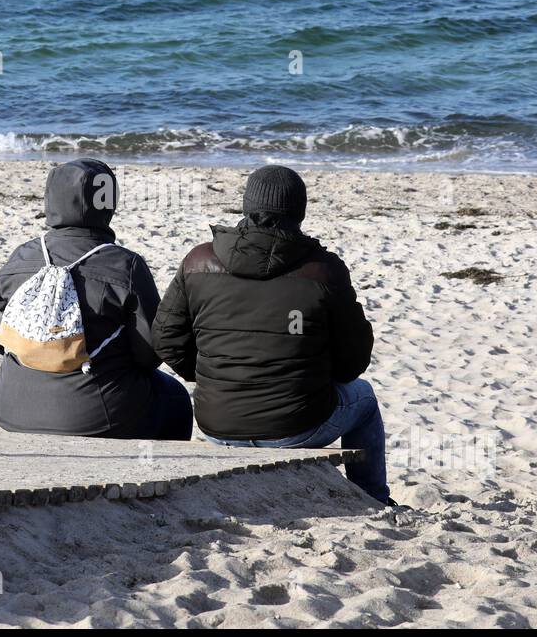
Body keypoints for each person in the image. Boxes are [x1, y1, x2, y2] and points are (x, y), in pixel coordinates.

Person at [151, 164, 391, 502]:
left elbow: (164, 338)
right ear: (300, 211)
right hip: (297, 426)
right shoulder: (324, 270)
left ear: (247, 206)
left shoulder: (198, 261)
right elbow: (354, 361)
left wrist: (207, 372)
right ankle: (374, 498)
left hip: (217, 423)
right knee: (364, 397)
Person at [0, 158, 193, 440]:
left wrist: (40, 348)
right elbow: (150, 353)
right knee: (174, 396)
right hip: (93, 413)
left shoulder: (23, 256)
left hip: (9, 405)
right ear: (108, 203)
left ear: (51, 200)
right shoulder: (124, 264)